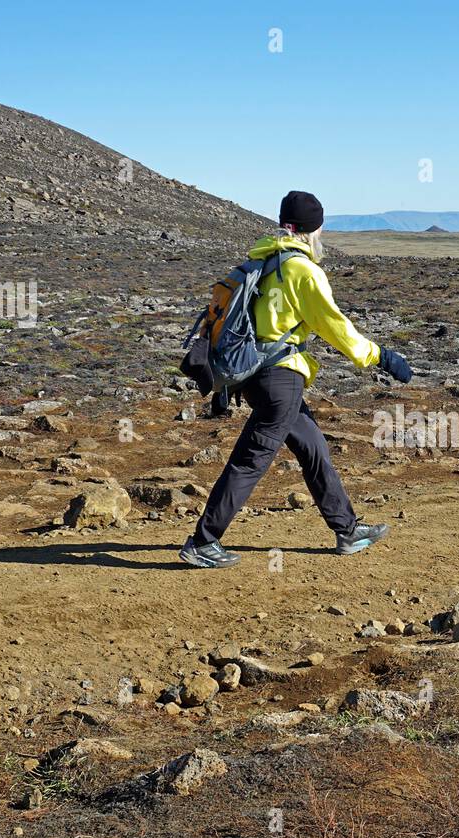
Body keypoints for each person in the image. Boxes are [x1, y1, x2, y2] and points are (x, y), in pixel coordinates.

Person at [179, 190, 414, 569]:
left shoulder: (261, 260)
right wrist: (381, 357)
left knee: (312, 448)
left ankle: (347, 530)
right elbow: (335, 327)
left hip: (254, 376)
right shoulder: (302, 270)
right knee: (250, 460)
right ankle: (204, 541)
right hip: (280, 380)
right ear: (312, 229)